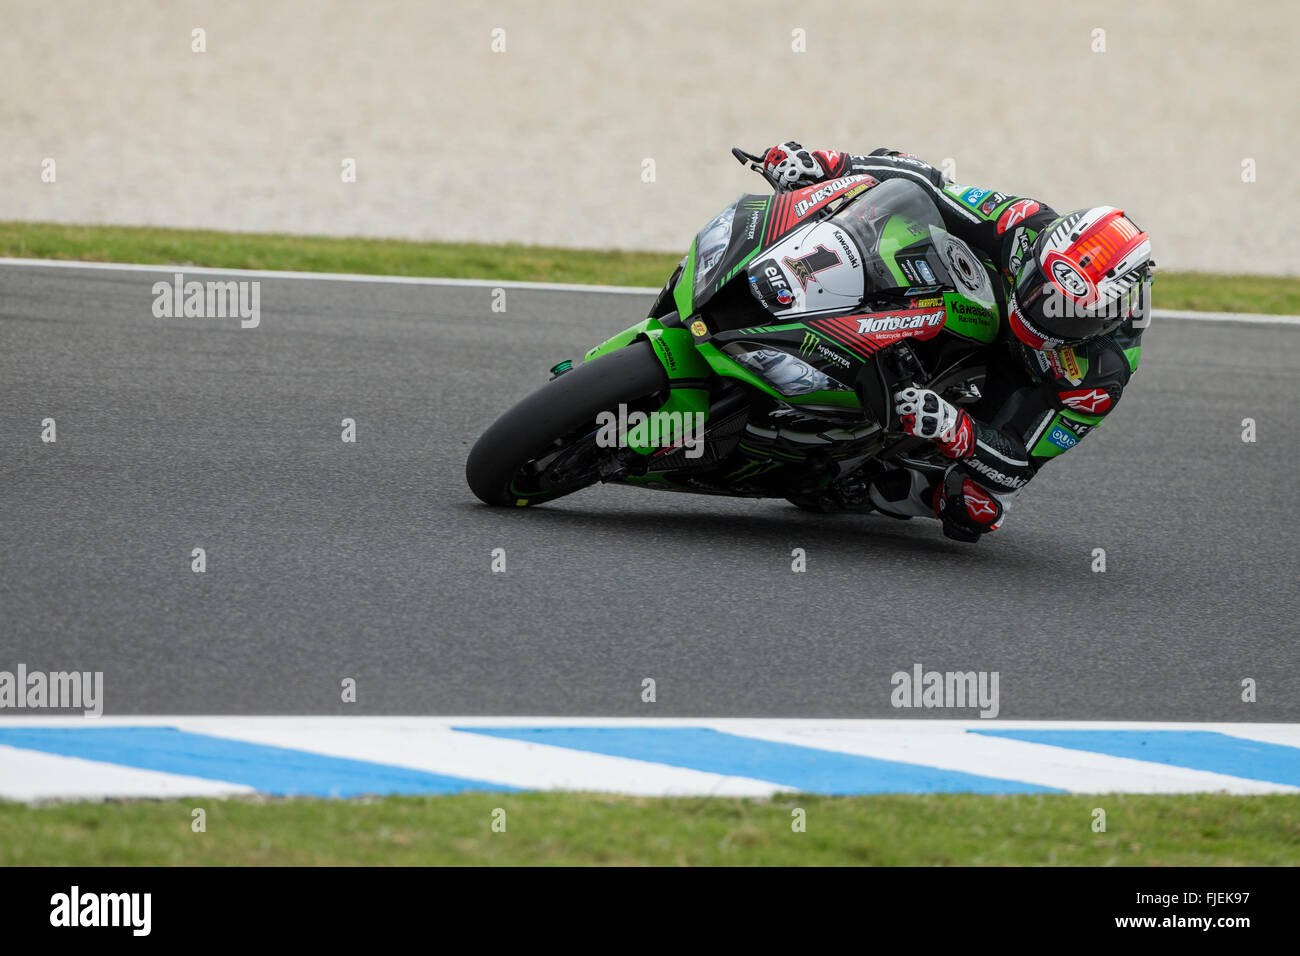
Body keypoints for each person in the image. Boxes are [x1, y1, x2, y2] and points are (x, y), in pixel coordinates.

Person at [761, 142, 1155, 541]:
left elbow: (1020, 460)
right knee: (893, 183)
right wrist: (826, 164)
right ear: (1038, 250)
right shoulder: (1024, 223)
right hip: (971, 293)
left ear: (1106, 318)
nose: (1038, 308)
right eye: (1038, 284)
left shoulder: (1101, 376)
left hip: (1019, 378)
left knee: (979, 504)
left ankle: (867, 484)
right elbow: (927, 181)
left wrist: (953, 427)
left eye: (1064, 313)